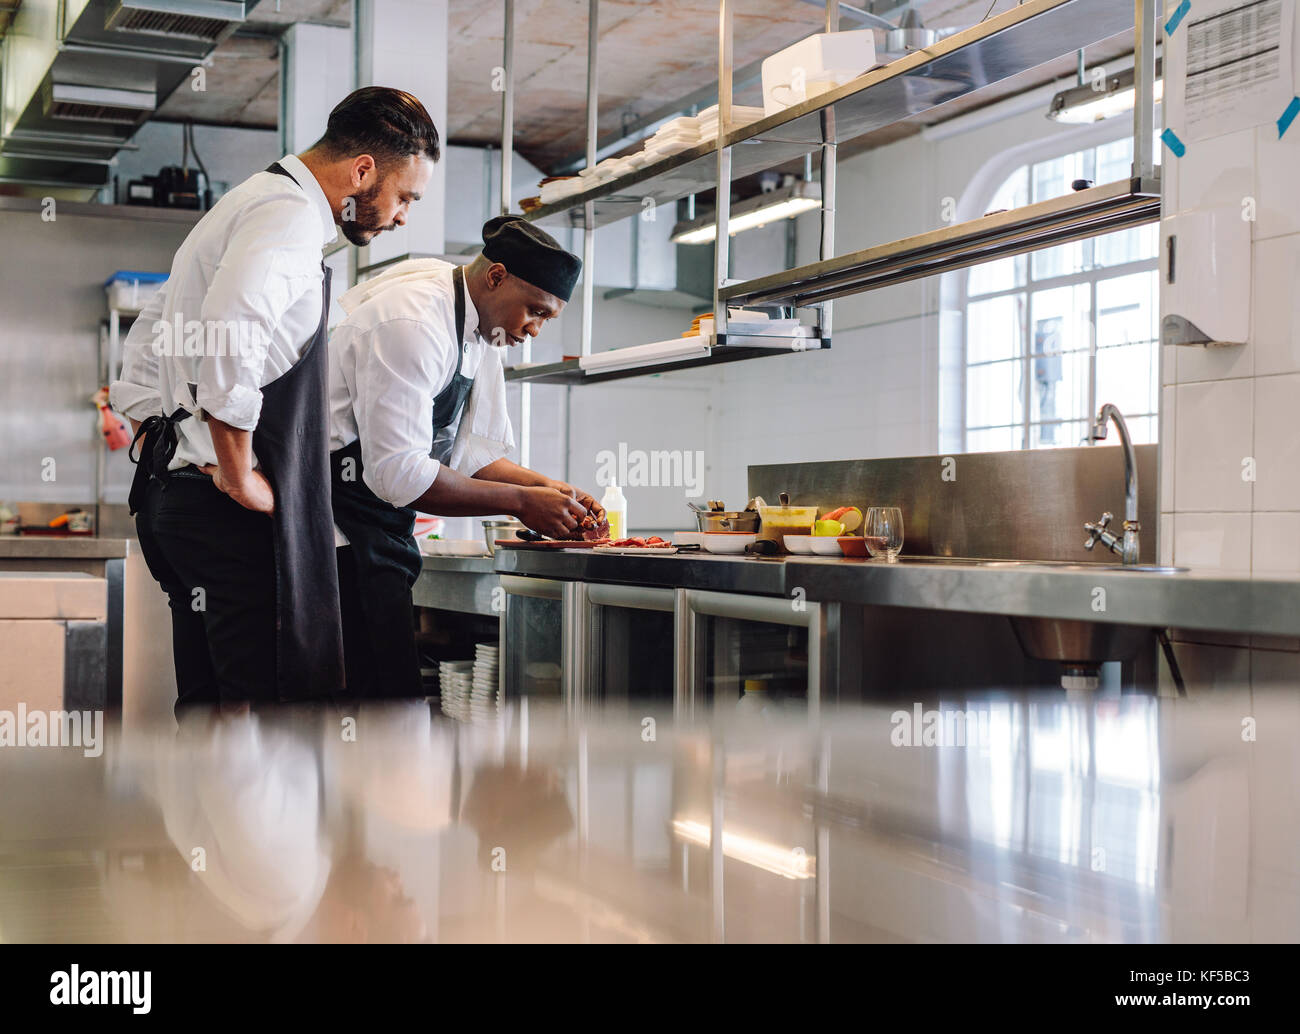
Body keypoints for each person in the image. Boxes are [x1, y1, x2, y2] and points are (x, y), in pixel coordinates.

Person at [109, 86, 440, 713]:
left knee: (209, 718)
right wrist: (238, 475)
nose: (402, 216)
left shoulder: (246, 201)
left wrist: (163, 434)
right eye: (406, 196)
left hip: (175, 505)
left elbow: (151, 333)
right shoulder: (288, 215)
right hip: (221, 517)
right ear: (362, 169)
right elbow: (234, 328)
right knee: (262, 726)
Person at [327, 216, 603, 697]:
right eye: (535, 311)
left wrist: (547, 489)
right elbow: (400, 475)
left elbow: (471, 455)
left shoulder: (482, 330)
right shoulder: (413, 321)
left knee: (392, 704)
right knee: (372, 710)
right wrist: (520, 502)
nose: (535, 330)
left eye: (547, 319)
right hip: (337, 534)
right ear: (496, 277)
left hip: (381, 533)